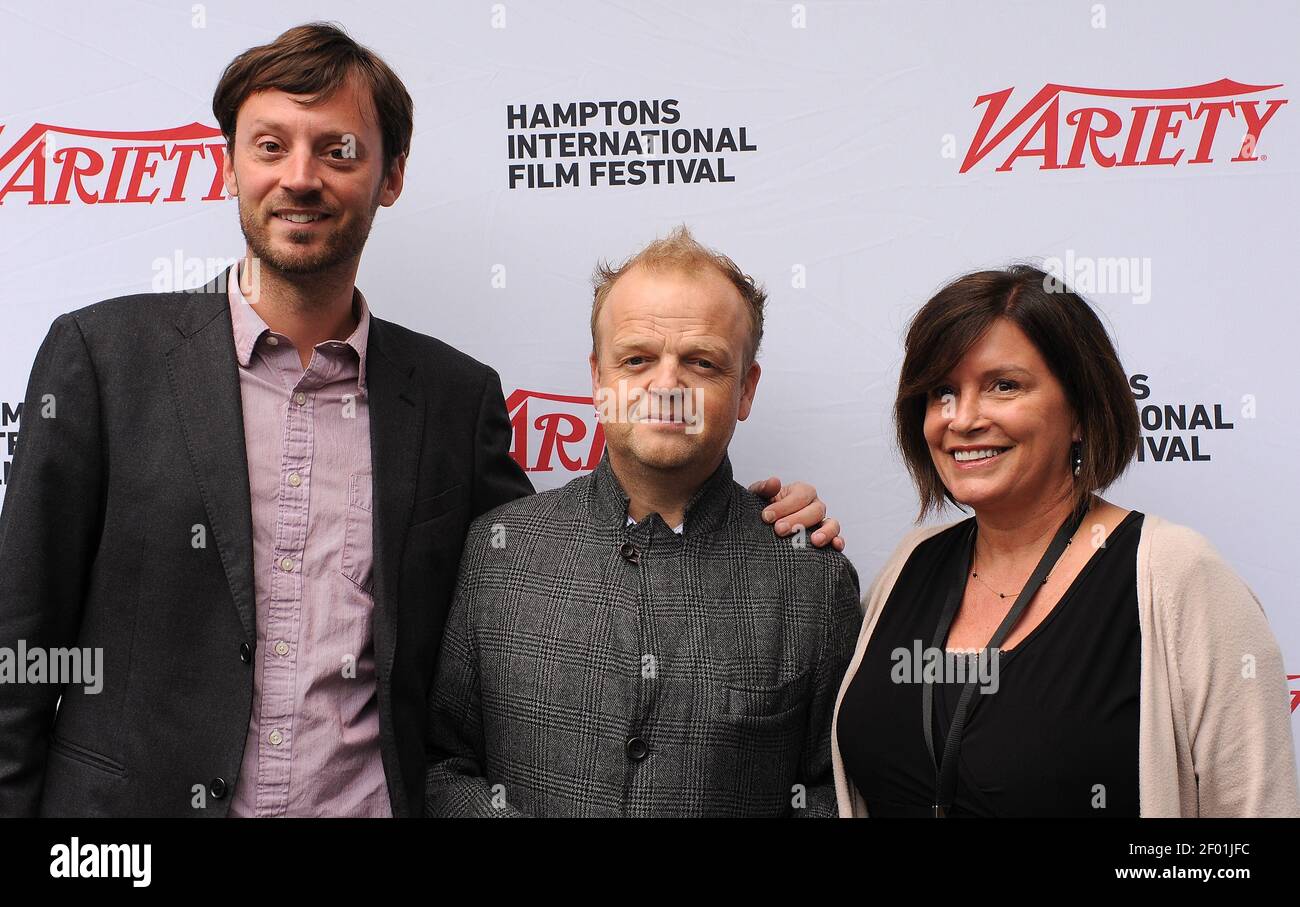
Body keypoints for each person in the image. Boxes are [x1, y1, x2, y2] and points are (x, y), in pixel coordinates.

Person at [0, 24, 840, 818]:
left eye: (340, 150)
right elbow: (19, 649)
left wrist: (758, 532)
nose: (301, 175)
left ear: (390, 176)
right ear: (228, 165)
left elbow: (563, 572)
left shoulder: (452, 398)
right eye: (271, 145)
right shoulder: (104, 357)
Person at [832, 265, 1300, 818]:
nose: (962, 418)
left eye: (1003, 385)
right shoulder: (910, 565)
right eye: (942, 392)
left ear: (1079, 410)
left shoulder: (1174, 575)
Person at [425, 227, 862, 817]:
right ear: (598, 380)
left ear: (746, 389)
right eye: (637, 360)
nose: (665, 386)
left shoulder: (813, 578)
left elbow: (828, 790)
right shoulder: (498, 550)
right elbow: (441, 764)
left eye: (701, 363)